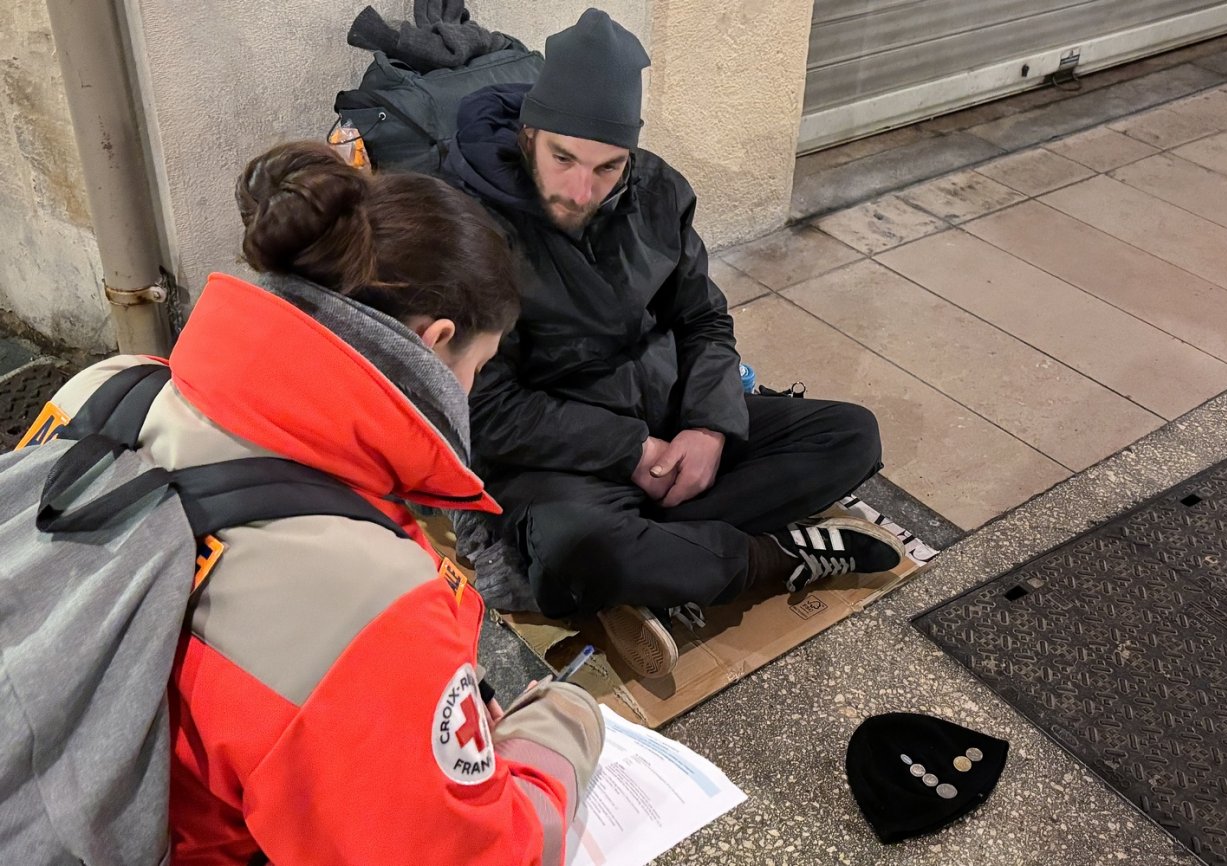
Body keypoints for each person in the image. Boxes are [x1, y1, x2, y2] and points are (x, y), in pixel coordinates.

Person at [38, 142, 603, 865]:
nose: (468, 395)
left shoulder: (107, 388)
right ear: (435, 344)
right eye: (477, 368)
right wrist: (564, 725)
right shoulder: (369, 601)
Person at [444, 8, 906, 679]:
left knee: (851, 436)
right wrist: (627, 450)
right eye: (564, 158)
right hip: (561, 458)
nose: (581, 190)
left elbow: (704, 323)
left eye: (607, 168)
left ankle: (649, 561)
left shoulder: (658, 193)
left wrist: (708, 427)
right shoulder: (467, 228)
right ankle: (768, 560)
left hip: (665, 417)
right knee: (579, 545)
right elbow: (486, 409)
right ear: (530, 133)